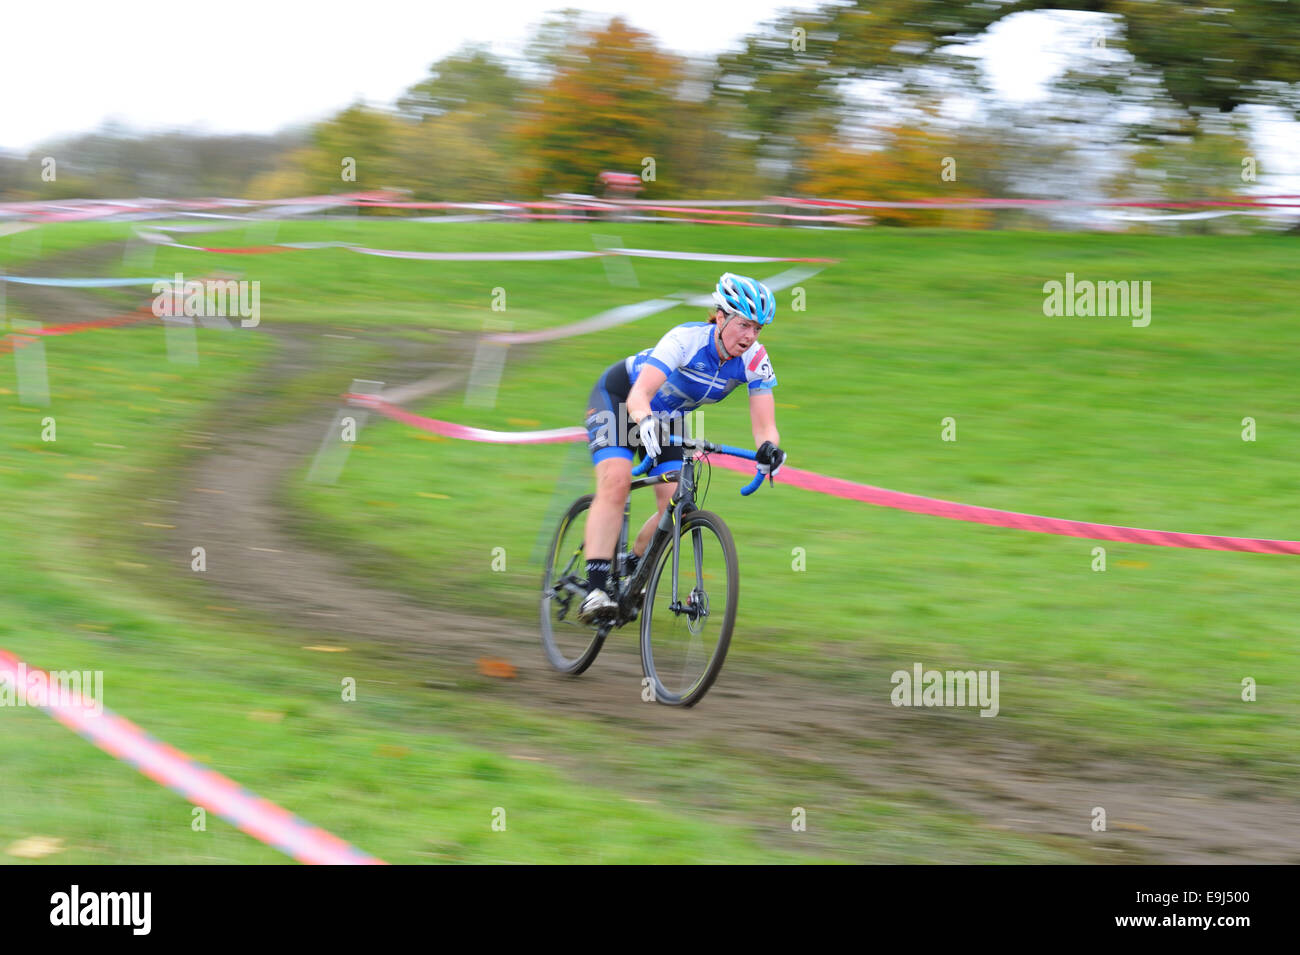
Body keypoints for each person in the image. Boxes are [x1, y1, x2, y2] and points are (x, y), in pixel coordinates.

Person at [578, 273, 788, 624]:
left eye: (758, 329)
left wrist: (769, 449)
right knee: (615, 482)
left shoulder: (755, 359)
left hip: (668, 418)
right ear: (720, 318)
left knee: (676, 505)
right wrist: (643, 423)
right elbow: (638, 396)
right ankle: (595, 589)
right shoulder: (685, 340)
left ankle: (634, 564)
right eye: (744, 325)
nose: (750, 337)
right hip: (621, 399)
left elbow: (765, 425)